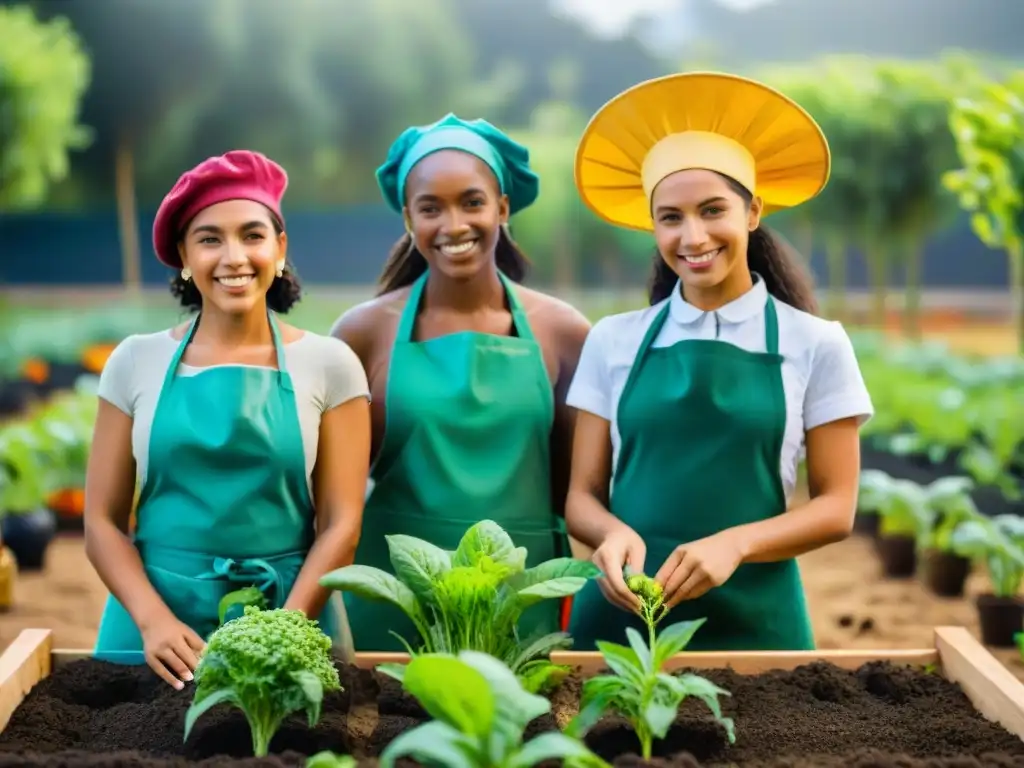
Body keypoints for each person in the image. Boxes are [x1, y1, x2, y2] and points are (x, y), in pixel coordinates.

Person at [563, 72, 874, 651]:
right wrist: (609, 535)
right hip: (622, 621)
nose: (693, 235)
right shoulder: (612, 340)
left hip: (758, 623)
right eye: (671, 217)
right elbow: (581, 496)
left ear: (752, 211)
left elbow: (836, 508)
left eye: (712, 211)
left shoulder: (816, 342)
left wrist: (735, 544)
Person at [86, 150, 372, 688]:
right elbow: (101, 522)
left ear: (280, 247)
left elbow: (342, 525)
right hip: (153, 627)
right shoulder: (133, 360)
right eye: (210, 238)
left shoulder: (329, 364)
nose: (233, 255)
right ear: (184, 256)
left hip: (291, 609)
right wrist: (153, 622)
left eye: (252, 235)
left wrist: (286, 630)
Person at [331, 113, 591, 652]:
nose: (453, 225)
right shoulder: (362, 334)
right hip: (394, 596)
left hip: (520, 595)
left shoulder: (564, 332)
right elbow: (330, 492)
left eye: (472, 202)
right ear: (408, 217)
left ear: (502, 206)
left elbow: (578, 488)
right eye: (431, 208)